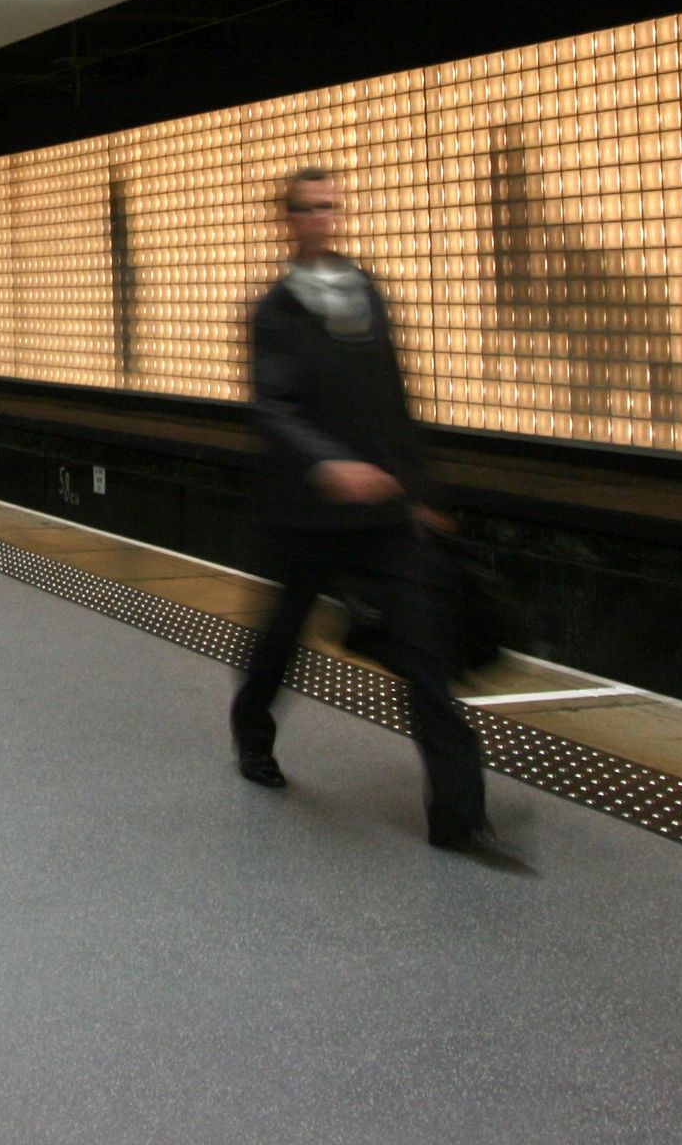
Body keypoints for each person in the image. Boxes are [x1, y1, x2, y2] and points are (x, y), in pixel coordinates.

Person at [230, 169, 493, 853]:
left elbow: (394, 401)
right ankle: (252, 733)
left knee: (425, 658)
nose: (322, 219)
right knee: (280, 643)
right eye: (309, 210)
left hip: (381, 514)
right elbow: (271, 407)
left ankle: (459, 817)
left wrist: (422, 492)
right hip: (306, 518)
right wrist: (327, 463)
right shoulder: (275, 310)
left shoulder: (365, 294)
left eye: (331, 207)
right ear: (287, 220)